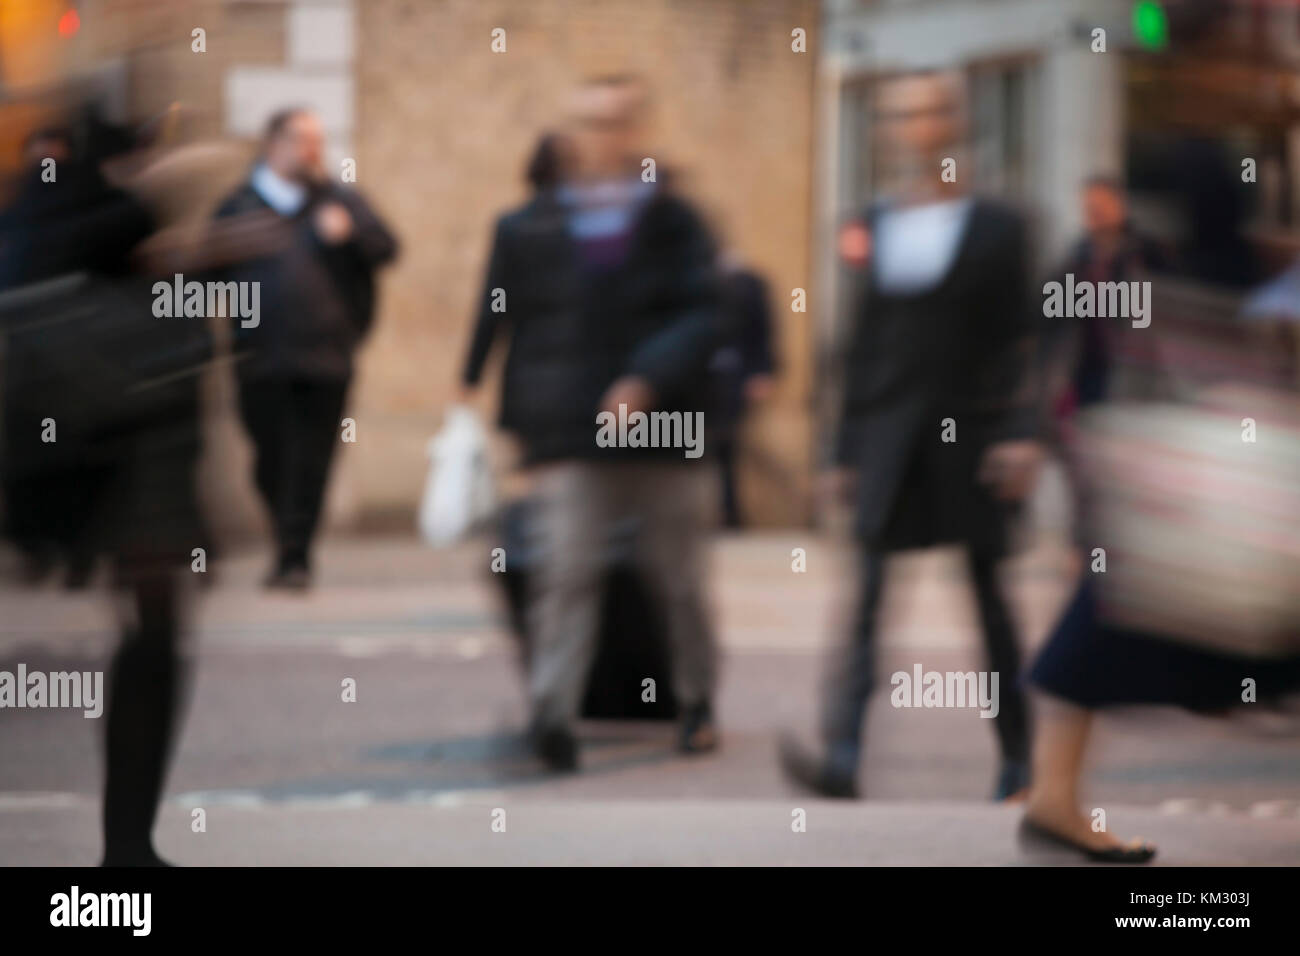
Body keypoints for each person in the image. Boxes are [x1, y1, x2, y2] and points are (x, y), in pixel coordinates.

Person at [781, 70, 1041, 802]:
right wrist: (840, 452)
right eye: (901, 116)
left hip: (974, 442)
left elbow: (1028, 338)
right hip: (889, 445)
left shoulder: (1001, 225)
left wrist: (1022, 434)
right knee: (863, 604)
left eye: (929, 112)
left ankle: (1018, 760)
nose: (915, 127)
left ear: (957, 121)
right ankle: (842, 755)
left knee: (991, 606)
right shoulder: (872, 222)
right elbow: (859, 348)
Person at [462, 76, 722, 769]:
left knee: (678, 580)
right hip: (576, 434)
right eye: (586, 123)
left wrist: (646, 378)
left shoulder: (676, 221)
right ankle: (553, 713)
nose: (599, 137)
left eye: (613, 123)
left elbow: (706, 313)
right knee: (566, 575)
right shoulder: (529, 225)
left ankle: (695, 702)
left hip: (668, 432)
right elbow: (510, 324)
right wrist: (517, 425)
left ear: (635, 132)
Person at [0, 114, 210, 866]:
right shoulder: (92, 221)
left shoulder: (54, 219)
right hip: (116, 451)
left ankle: (130, 845)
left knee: (152, 640)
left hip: (114, 458)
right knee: (152, 643)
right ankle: (128, 844)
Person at [214, 108, 398, 589]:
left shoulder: (340, 200)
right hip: (258, 358)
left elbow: (388, 249)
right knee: (269, 457)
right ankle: (285, 537)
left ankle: (295, 556)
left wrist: (351, 234)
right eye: (300, 139)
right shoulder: (238, 204)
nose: (310, 150)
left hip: (326, 358)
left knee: (313, 460)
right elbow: (203, 275)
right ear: (272, 143)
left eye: (317, 140)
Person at [710, 253, 777, 528]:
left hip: (732, 378)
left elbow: (763, 330)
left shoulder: (747, 283)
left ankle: (728, 513)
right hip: (696, 379)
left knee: (726, 446)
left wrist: (762, 371)